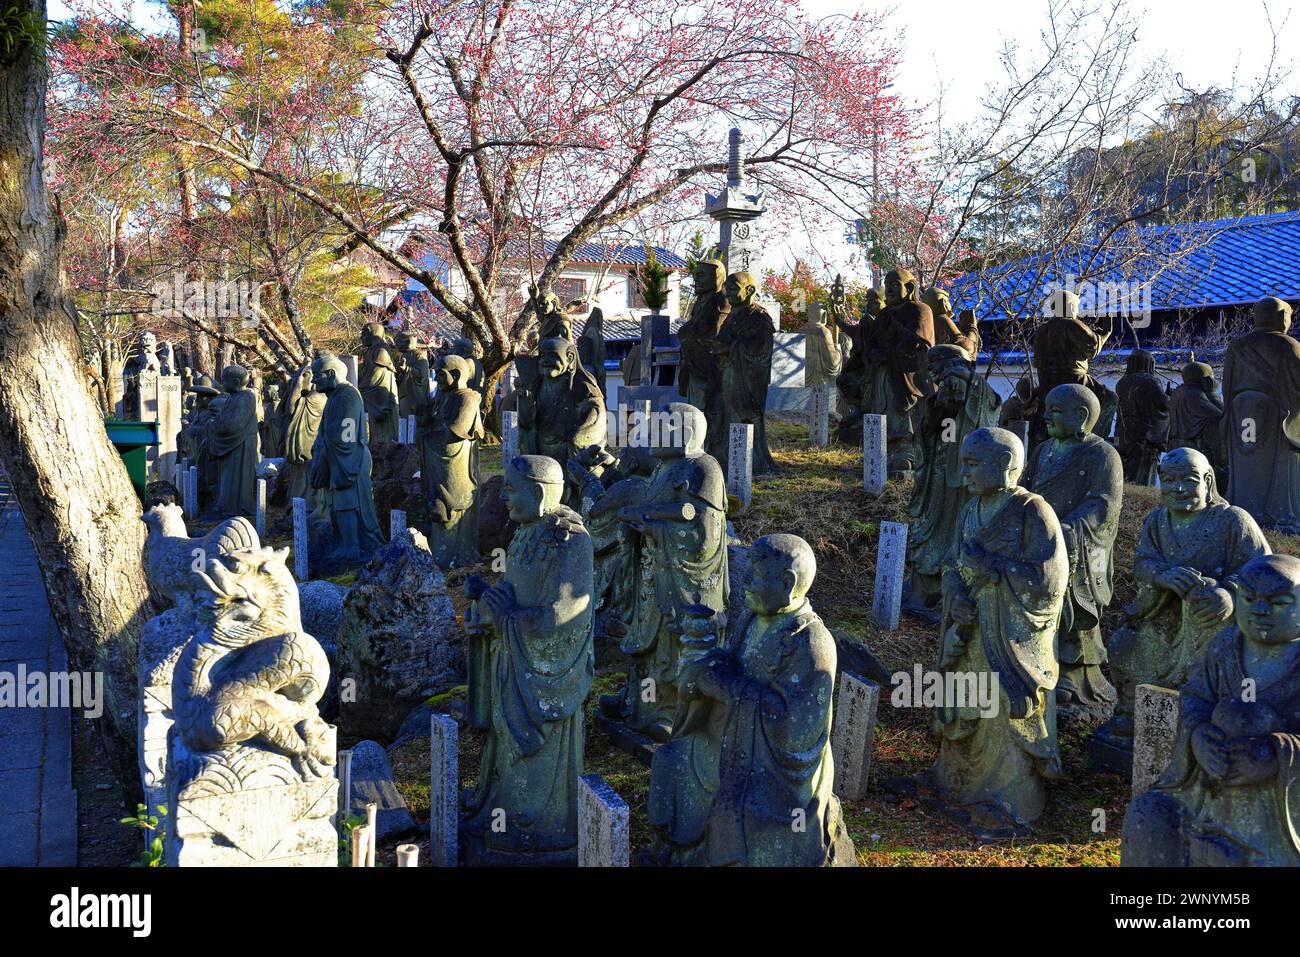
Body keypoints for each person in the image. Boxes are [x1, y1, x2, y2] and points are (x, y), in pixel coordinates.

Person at [681, 534, 856, 866]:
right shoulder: (749, 617)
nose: (745, 581)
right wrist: (706, 667)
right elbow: (731, 663)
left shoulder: (811, 643)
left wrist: (731, 688)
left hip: (779, 774)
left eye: (757, 575)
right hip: (733, 740)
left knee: (738, 812)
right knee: (676, 762)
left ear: (788, 583)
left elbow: (797, 734)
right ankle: (681, 850)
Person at [1122, 554, 1300, 866]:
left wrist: (1276, 755)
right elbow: (1195, 697)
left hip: (1283, 813)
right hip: (1206, 793)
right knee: (1147, 815)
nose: (1260, 611)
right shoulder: (1224, 645)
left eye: (1279, 603)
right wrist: (1198, 736)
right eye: (1248, 598)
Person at [460, 455, 594, 865]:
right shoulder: (527, 532)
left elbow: (565, 613)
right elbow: (514, 594)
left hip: (544, 673)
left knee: (534, 754)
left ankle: (538, 826)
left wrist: (508, 619)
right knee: (504, 736)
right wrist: (486, 606)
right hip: (514, 662)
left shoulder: (571, 540)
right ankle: (502, 812)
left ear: (538, 493)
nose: (502, 496)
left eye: (511, 489)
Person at [1223, 296, 1300, 533]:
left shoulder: (1237, 346)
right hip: (1277, 416)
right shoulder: (1288, 345)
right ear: (1281, 317)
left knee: (1246, 468)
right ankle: (1281, 515)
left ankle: (1241, 508)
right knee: (1281, 468)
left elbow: (1227, 386)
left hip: (1241, 415)